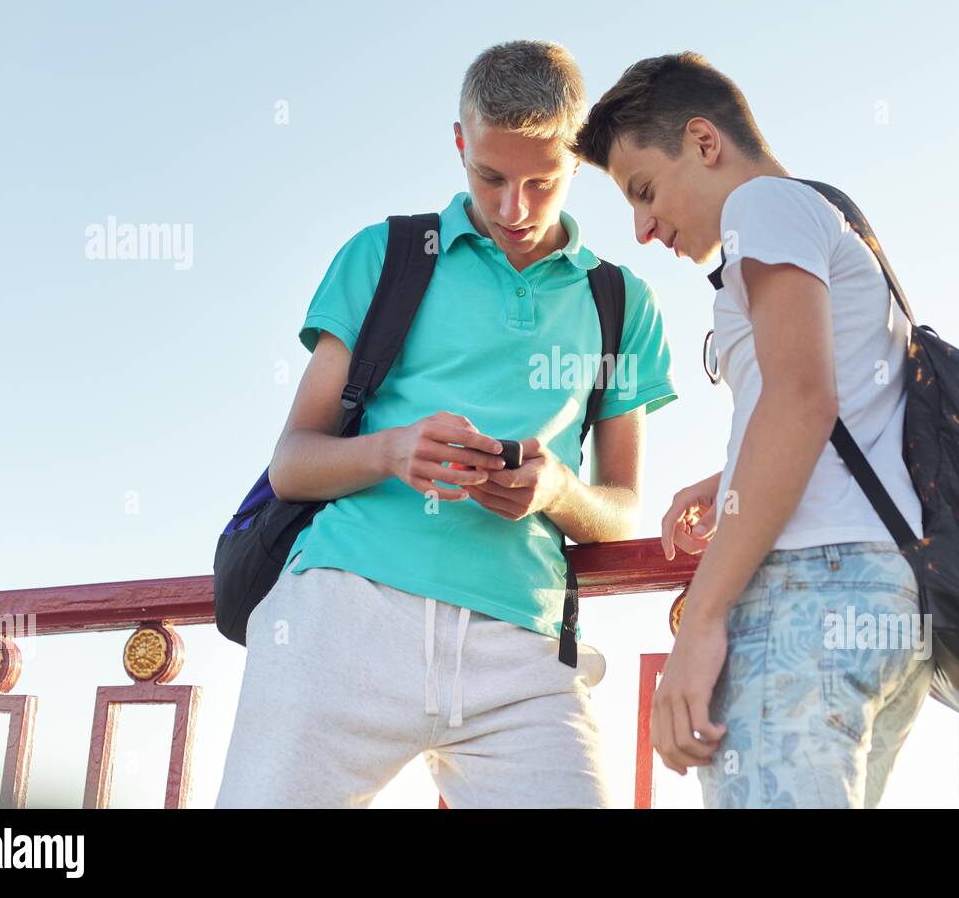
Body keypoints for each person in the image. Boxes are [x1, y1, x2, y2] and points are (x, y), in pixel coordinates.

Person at [215, 40, 678, 808]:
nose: (512, 209)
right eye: (489, 177)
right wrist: (395, 450)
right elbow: (293, 462)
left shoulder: (622, 303)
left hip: (523, 656)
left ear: (581, 156)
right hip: (340, 621)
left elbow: (621, 507)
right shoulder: (385, 254)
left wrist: (559, 488)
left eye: (542, 181)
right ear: (459, 144)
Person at [570, 51, 933, 808]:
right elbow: (842, 402)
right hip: (888, 594)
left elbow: (803, 401)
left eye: (644, 192)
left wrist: (701, 619)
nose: (641, 228)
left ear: (705, 142)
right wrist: (729, 476)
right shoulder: (824, 214)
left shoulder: (760, 209)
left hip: (808, 589)